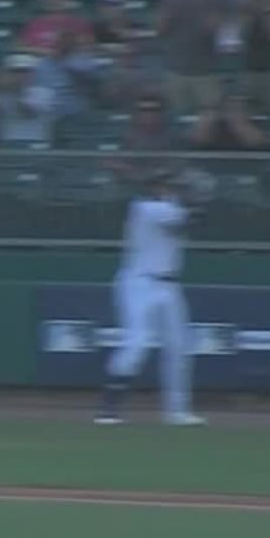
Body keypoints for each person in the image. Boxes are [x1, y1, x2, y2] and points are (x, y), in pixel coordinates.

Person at [95, 170, 204, 427]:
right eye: (164, 185)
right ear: (152, 187)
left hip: (169, 285)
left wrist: (192, 202)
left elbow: (190, 220)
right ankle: (109, 408)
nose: (169, 189)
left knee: (180, 346)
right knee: (138, 342)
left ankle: (177, 412)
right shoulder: (145, 208)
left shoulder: (170, 205)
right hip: (139, 283)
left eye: (169, 185)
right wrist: (197, 202)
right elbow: (184, 222)